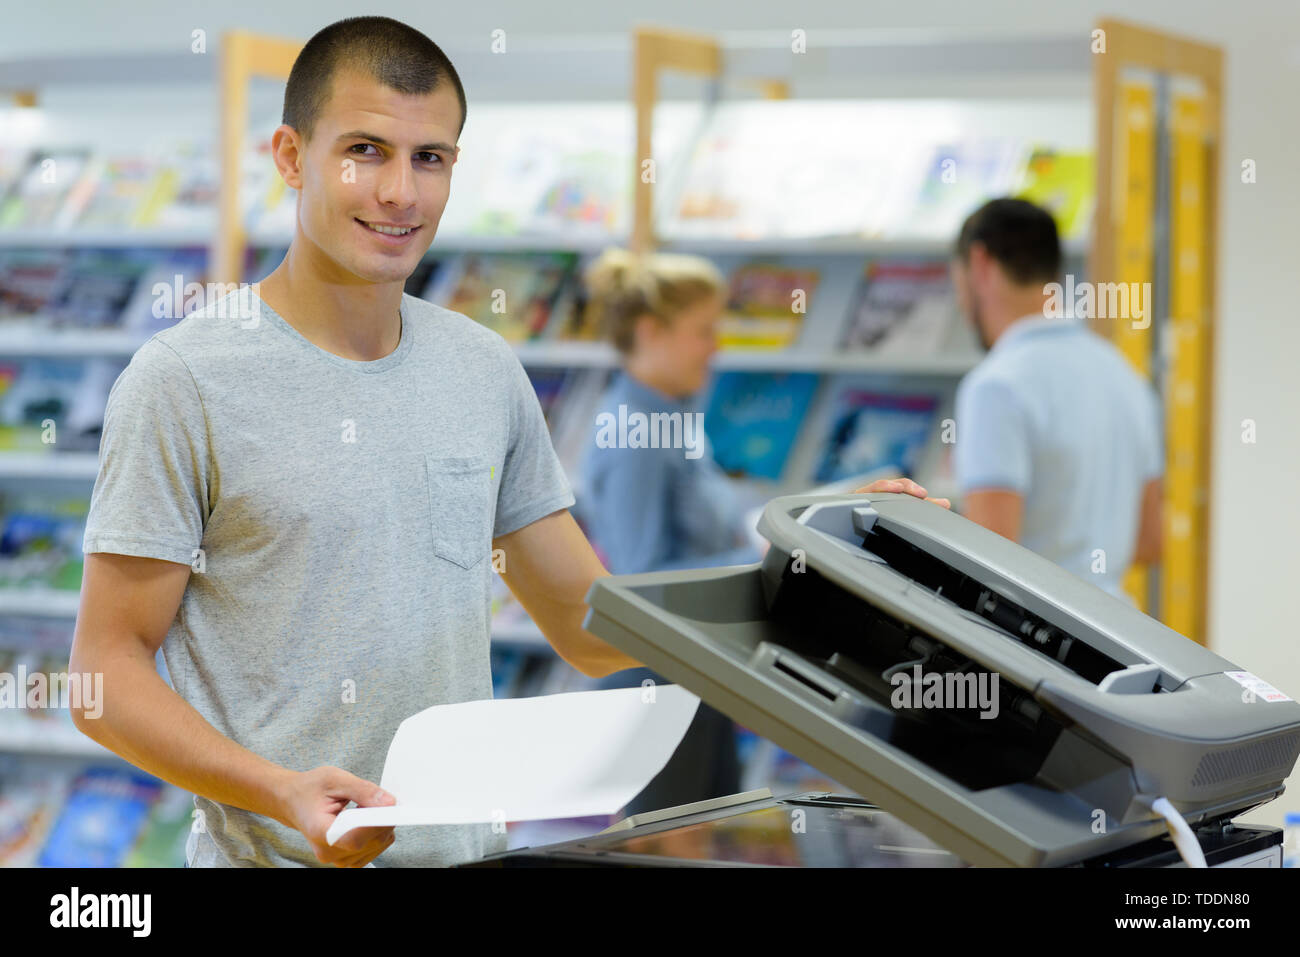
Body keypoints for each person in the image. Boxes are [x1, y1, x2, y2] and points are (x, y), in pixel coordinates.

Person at [69, 16, 943, 869]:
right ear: (292, 157)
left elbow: (587, 625)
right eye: (365, 151)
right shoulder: (182, 380)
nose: (400, 193)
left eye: (430, 158)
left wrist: (809, 573)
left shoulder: (482, 370)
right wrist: (279, 790)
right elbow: (104, 677)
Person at [575, 248, 756, 816]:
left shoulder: (669, 419)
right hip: (656, 690)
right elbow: (639, 581)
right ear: (651, 332)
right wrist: (759, 561)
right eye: (704, 330)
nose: (715, 346)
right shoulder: (635, 432)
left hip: (696, 677)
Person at [948, 197, 1163, 599]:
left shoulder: (996, 386)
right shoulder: (1124, 375)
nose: (960, 303)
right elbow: (1150, 540)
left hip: (1032, 643)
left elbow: (987, 559)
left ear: (979, 263)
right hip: (1119, 635)